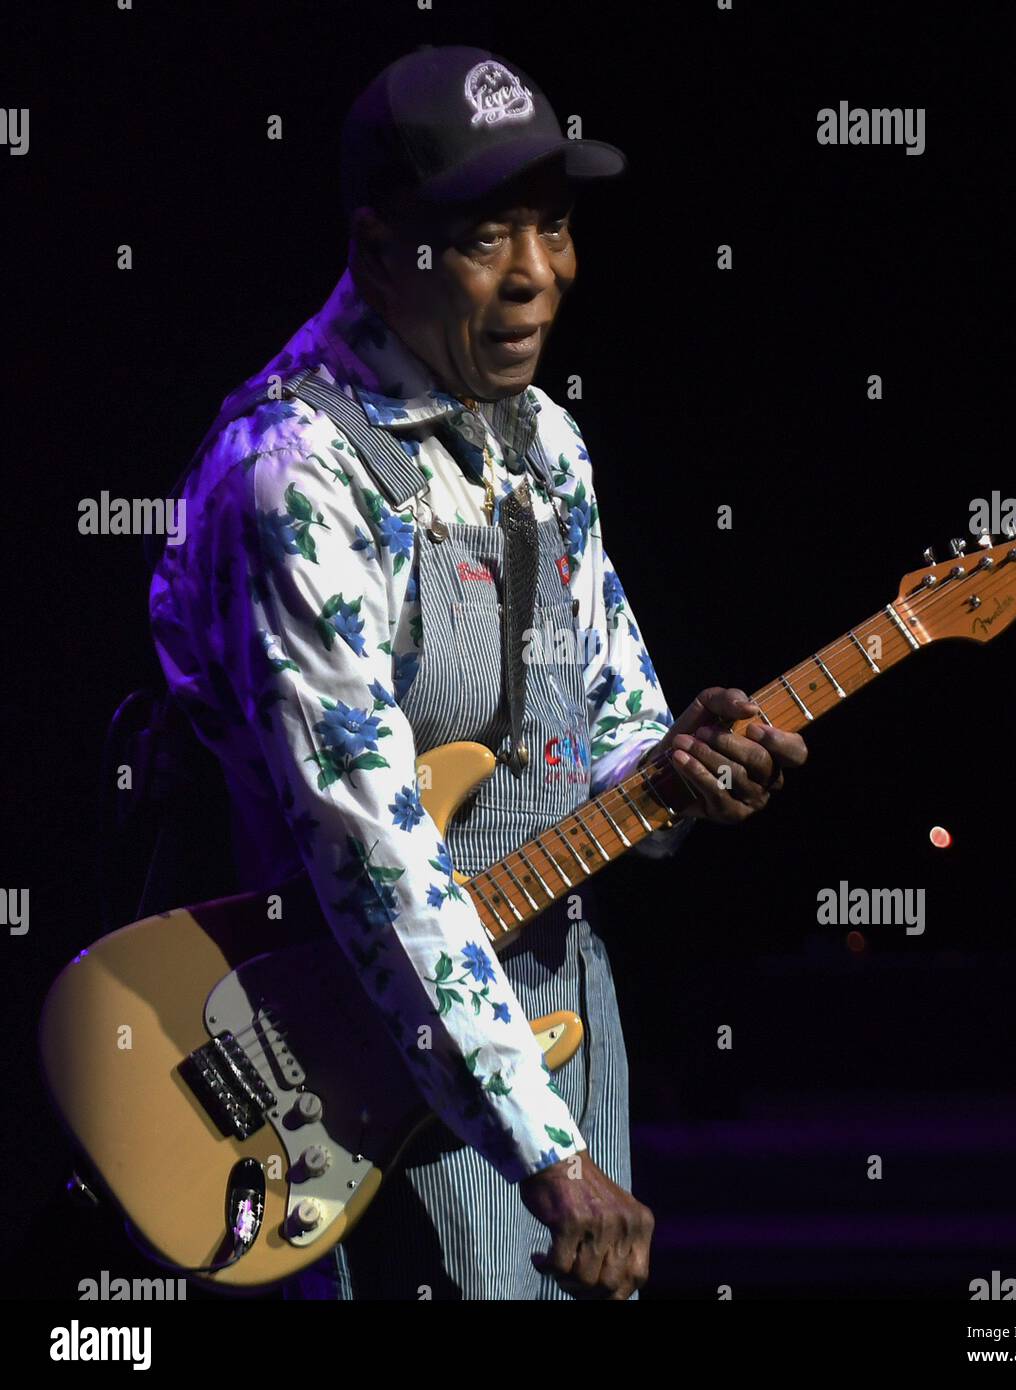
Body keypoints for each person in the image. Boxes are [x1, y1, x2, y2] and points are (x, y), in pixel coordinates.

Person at [148, 45, 807, 1301]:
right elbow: (373, 856)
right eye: (484, 237)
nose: (536, 278)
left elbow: (607, 714)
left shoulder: (545, 441)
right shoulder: (293, 475)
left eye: (553, 228)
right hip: (352, 1064)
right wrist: (544, 1151)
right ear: (378, 242)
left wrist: (677, 769)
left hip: (563, 1029)